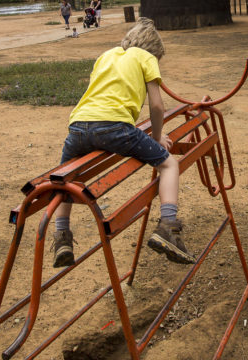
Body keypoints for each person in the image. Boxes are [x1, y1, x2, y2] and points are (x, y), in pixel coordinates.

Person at [51, 18, 194, 267]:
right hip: (115, 127)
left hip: (78, 127)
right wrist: (157, 137)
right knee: (169, 165)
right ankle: (168, 227)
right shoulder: (146, 58)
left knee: (64, 178)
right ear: (154, 51)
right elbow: (157, 106)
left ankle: (62, 236)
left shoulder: (106, 56)